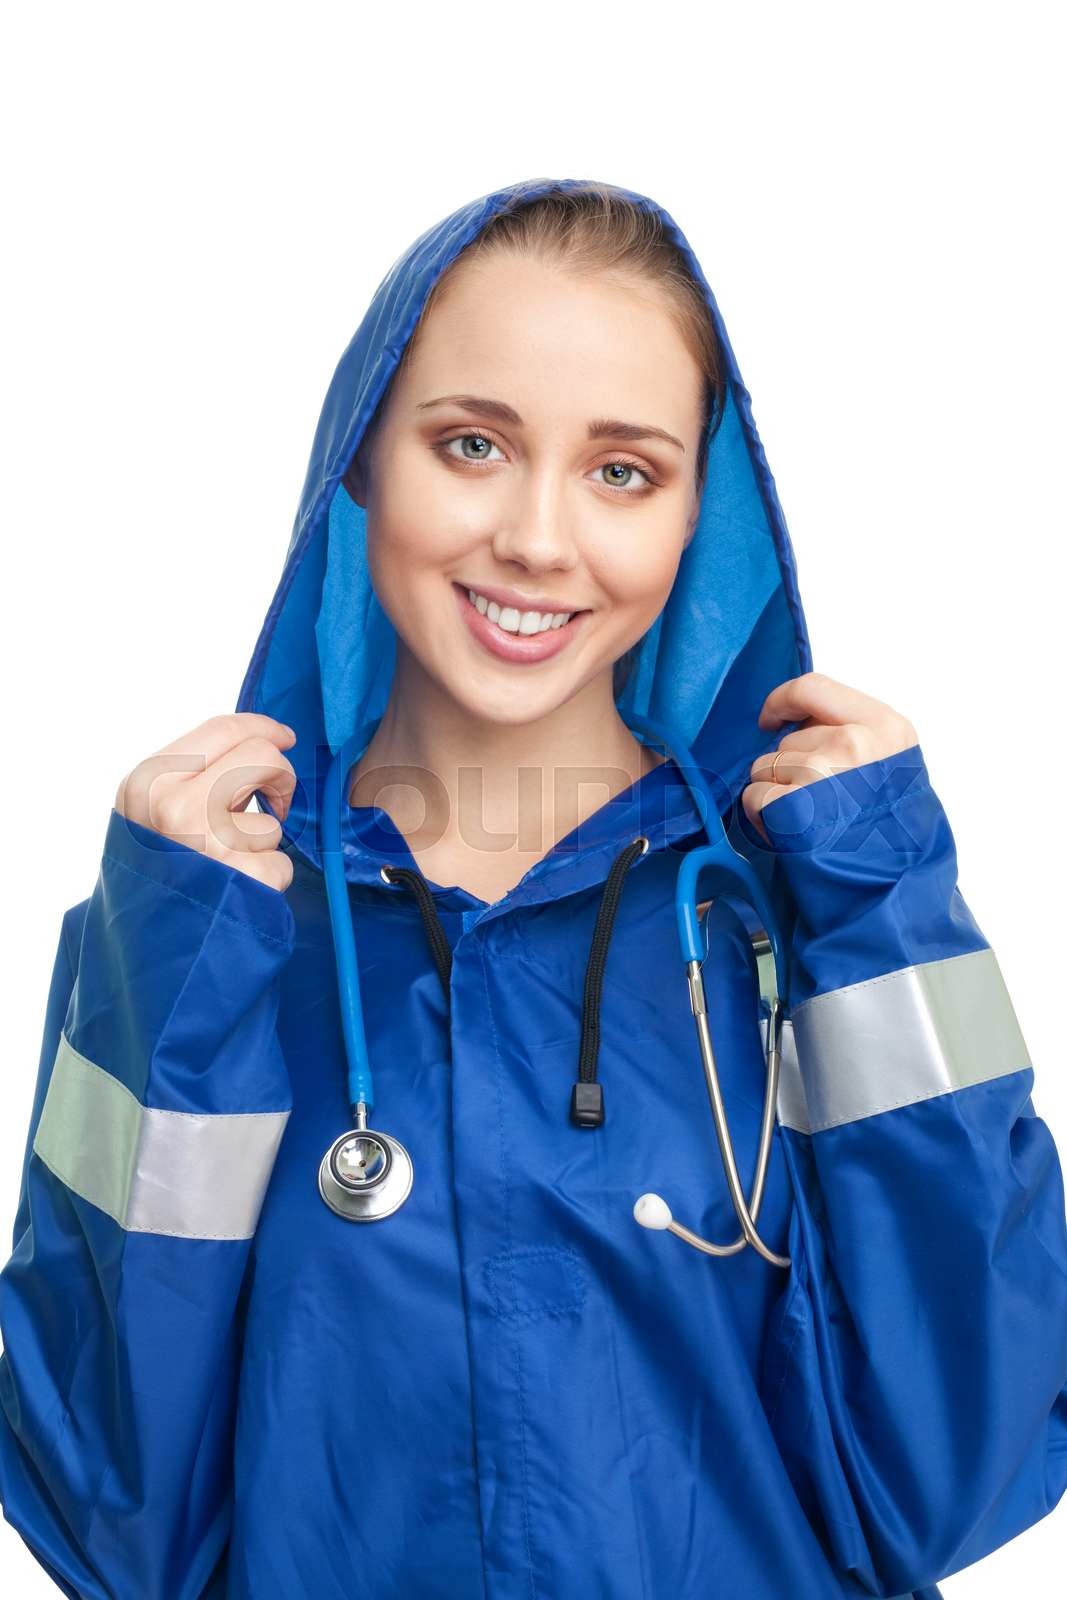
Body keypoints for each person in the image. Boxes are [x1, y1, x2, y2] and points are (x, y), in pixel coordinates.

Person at [0, 176, 1064, 1600]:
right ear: (362, 460)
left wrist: (886, 908)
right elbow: (108, 1522)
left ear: (704, 515)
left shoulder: (804, 917)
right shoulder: (225, 924)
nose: (541, 542)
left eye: (622, 470)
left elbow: (965, 1470)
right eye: (474, 444)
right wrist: (171, 962)